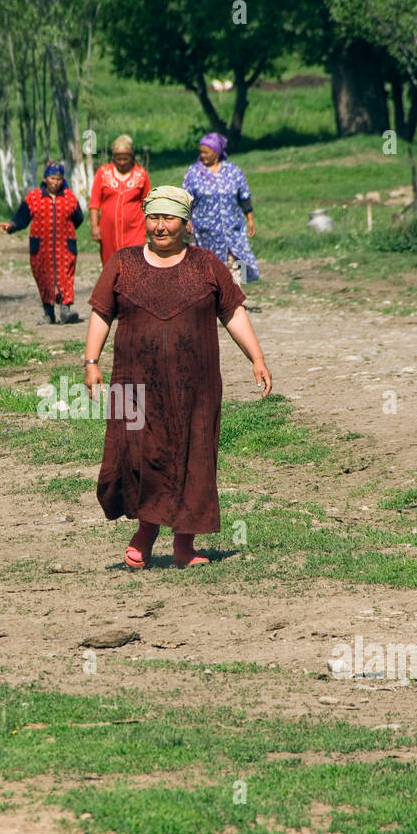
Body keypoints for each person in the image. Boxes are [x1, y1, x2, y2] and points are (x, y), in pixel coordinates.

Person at [84, 186, 272, 569]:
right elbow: (102, 312)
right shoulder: (123, 262)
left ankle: (184, 545)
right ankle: (146, 533)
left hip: (196, 385)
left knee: (193, 453)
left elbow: (233, 312)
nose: (160, 226)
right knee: (139, 453)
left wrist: (256, 357)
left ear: (186, 223)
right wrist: (91, 361)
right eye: (153, 217)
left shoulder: (207, 265)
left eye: (168, 218)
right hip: (133, 385)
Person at [0, 162, 83, 324]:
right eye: (52, 178)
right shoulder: (33, 197)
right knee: (44, 277)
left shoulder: (70, 197)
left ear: (62, 179)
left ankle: (65, 310)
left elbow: (78, 218)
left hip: (65, 246)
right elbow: (21, 219)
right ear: (45, 179)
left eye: (58, 178)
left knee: (65, 275)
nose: (55, 182)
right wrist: (11, 226)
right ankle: (48, 314)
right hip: (41, 248)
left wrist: (66, 229)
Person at [182, 132, 259, 284]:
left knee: (237, 261)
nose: (202, 155)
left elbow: (244, 195)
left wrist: (250, 218)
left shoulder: (233, 171)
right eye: (201, 152)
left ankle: (237, 298)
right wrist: (186, 219)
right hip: (204, 231)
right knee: (208, 266)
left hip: (232, 227)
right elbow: (185, 198)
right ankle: (213, 300)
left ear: (216, 152)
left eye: (206, 152)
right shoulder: (193, 172)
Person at [89, 135, 151, 266]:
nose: (122, 162)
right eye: (118, 159)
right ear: (113, 157)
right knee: (111, 266)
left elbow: (149, 203)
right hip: (108, 231)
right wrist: (94, 226)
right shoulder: (103, 173)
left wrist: (151, 227)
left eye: (125, 159)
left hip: (135, 231)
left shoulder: (141, 175)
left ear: (131, 157)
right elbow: (94, 202)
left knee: (135, 264)